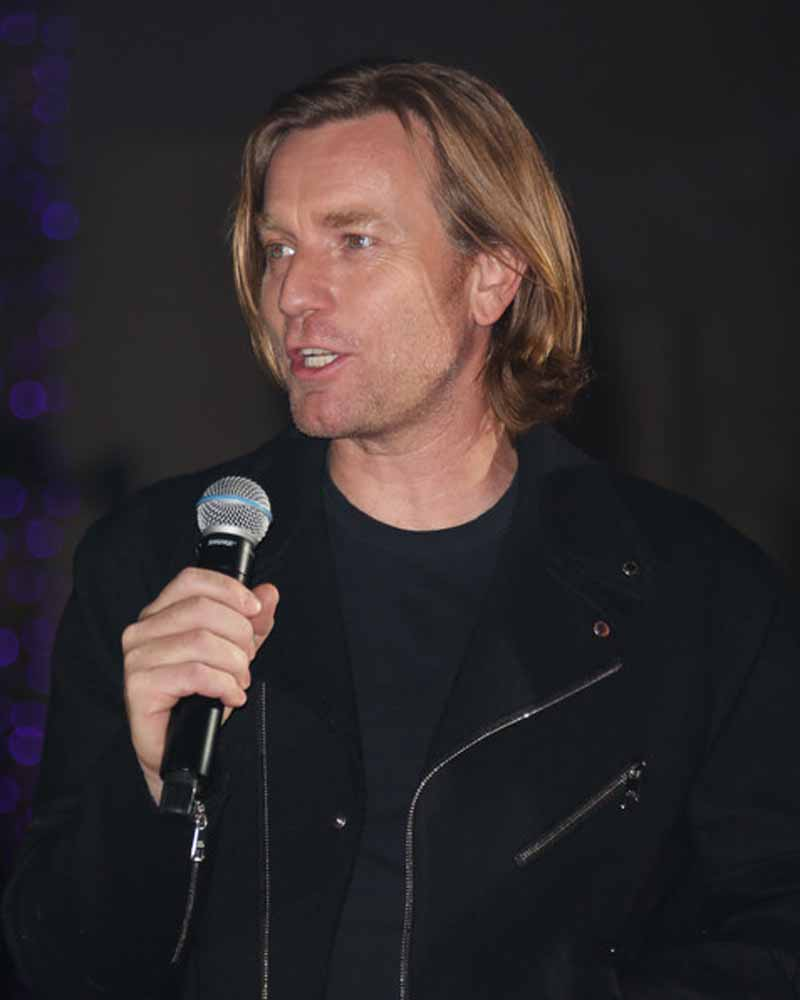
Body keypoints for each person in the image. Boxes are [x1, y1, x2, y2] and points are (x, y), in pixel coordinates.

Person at [4, 61, 800, 1000]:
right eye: (278, 247)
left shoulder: (698, 595)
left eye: (354, 240)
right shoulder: (149, 561)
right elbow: (56, 965)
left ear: (491, 276)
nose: (293, 292)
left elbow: (770, 933)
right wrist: (143, 788)